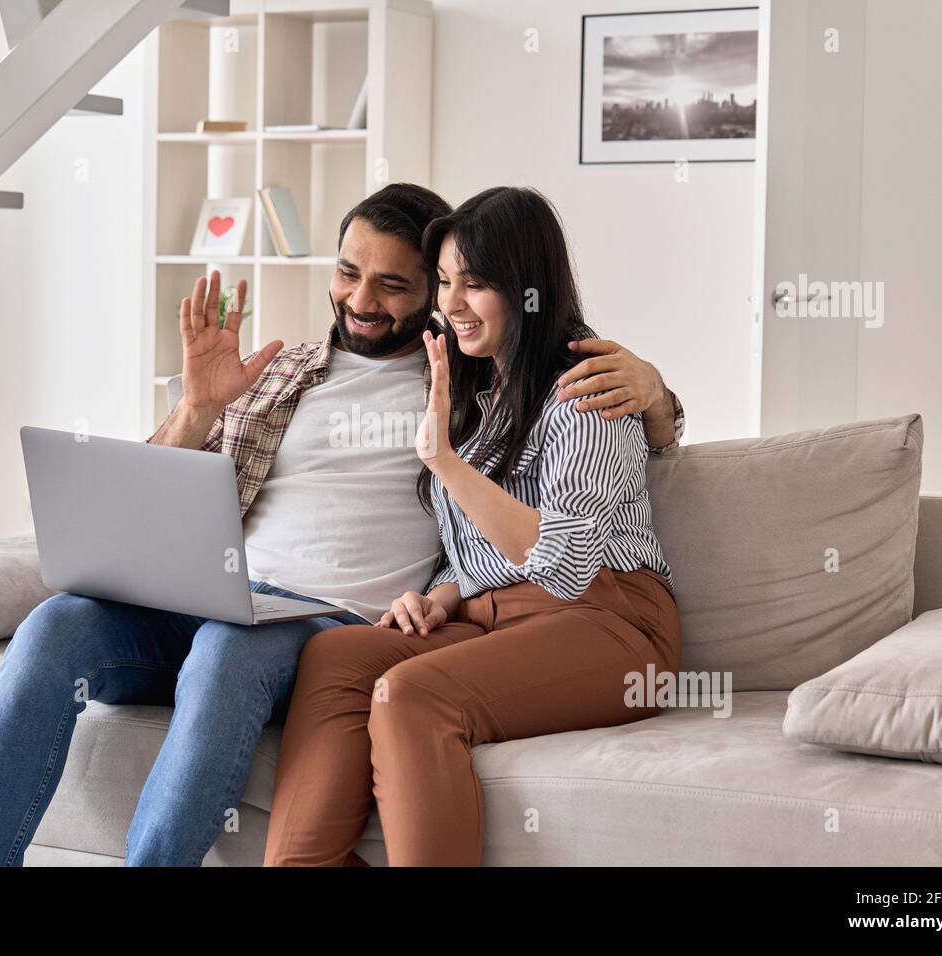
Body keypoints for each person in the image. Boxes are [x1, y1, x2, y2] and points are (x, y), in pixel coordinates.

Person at [0, 183, 685, 867]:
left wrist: (654, 393)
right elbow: (139, 501)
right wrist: (198, 408)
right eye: (348, 273)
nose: (361, 299)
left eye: (394, 285)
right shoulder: (277, 373)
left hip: (317, 619)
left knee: (231, 654)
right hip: (219, 596)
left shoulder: (464, 385)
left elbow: (569, 416)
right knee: (55, 625)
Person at [263, 186, 682, 867]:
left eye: (477, 285)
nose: (452, 303)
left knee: (409, 696)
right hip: (494, 618)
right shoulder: (478, 389)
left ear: (528, 291)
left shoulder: (586, 389)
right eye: (446, 282)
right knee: (338, 657)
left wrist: (448, 467)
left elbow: (567, 563)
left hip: (611, 622)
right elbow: (477, 552)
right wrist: (441, 595)